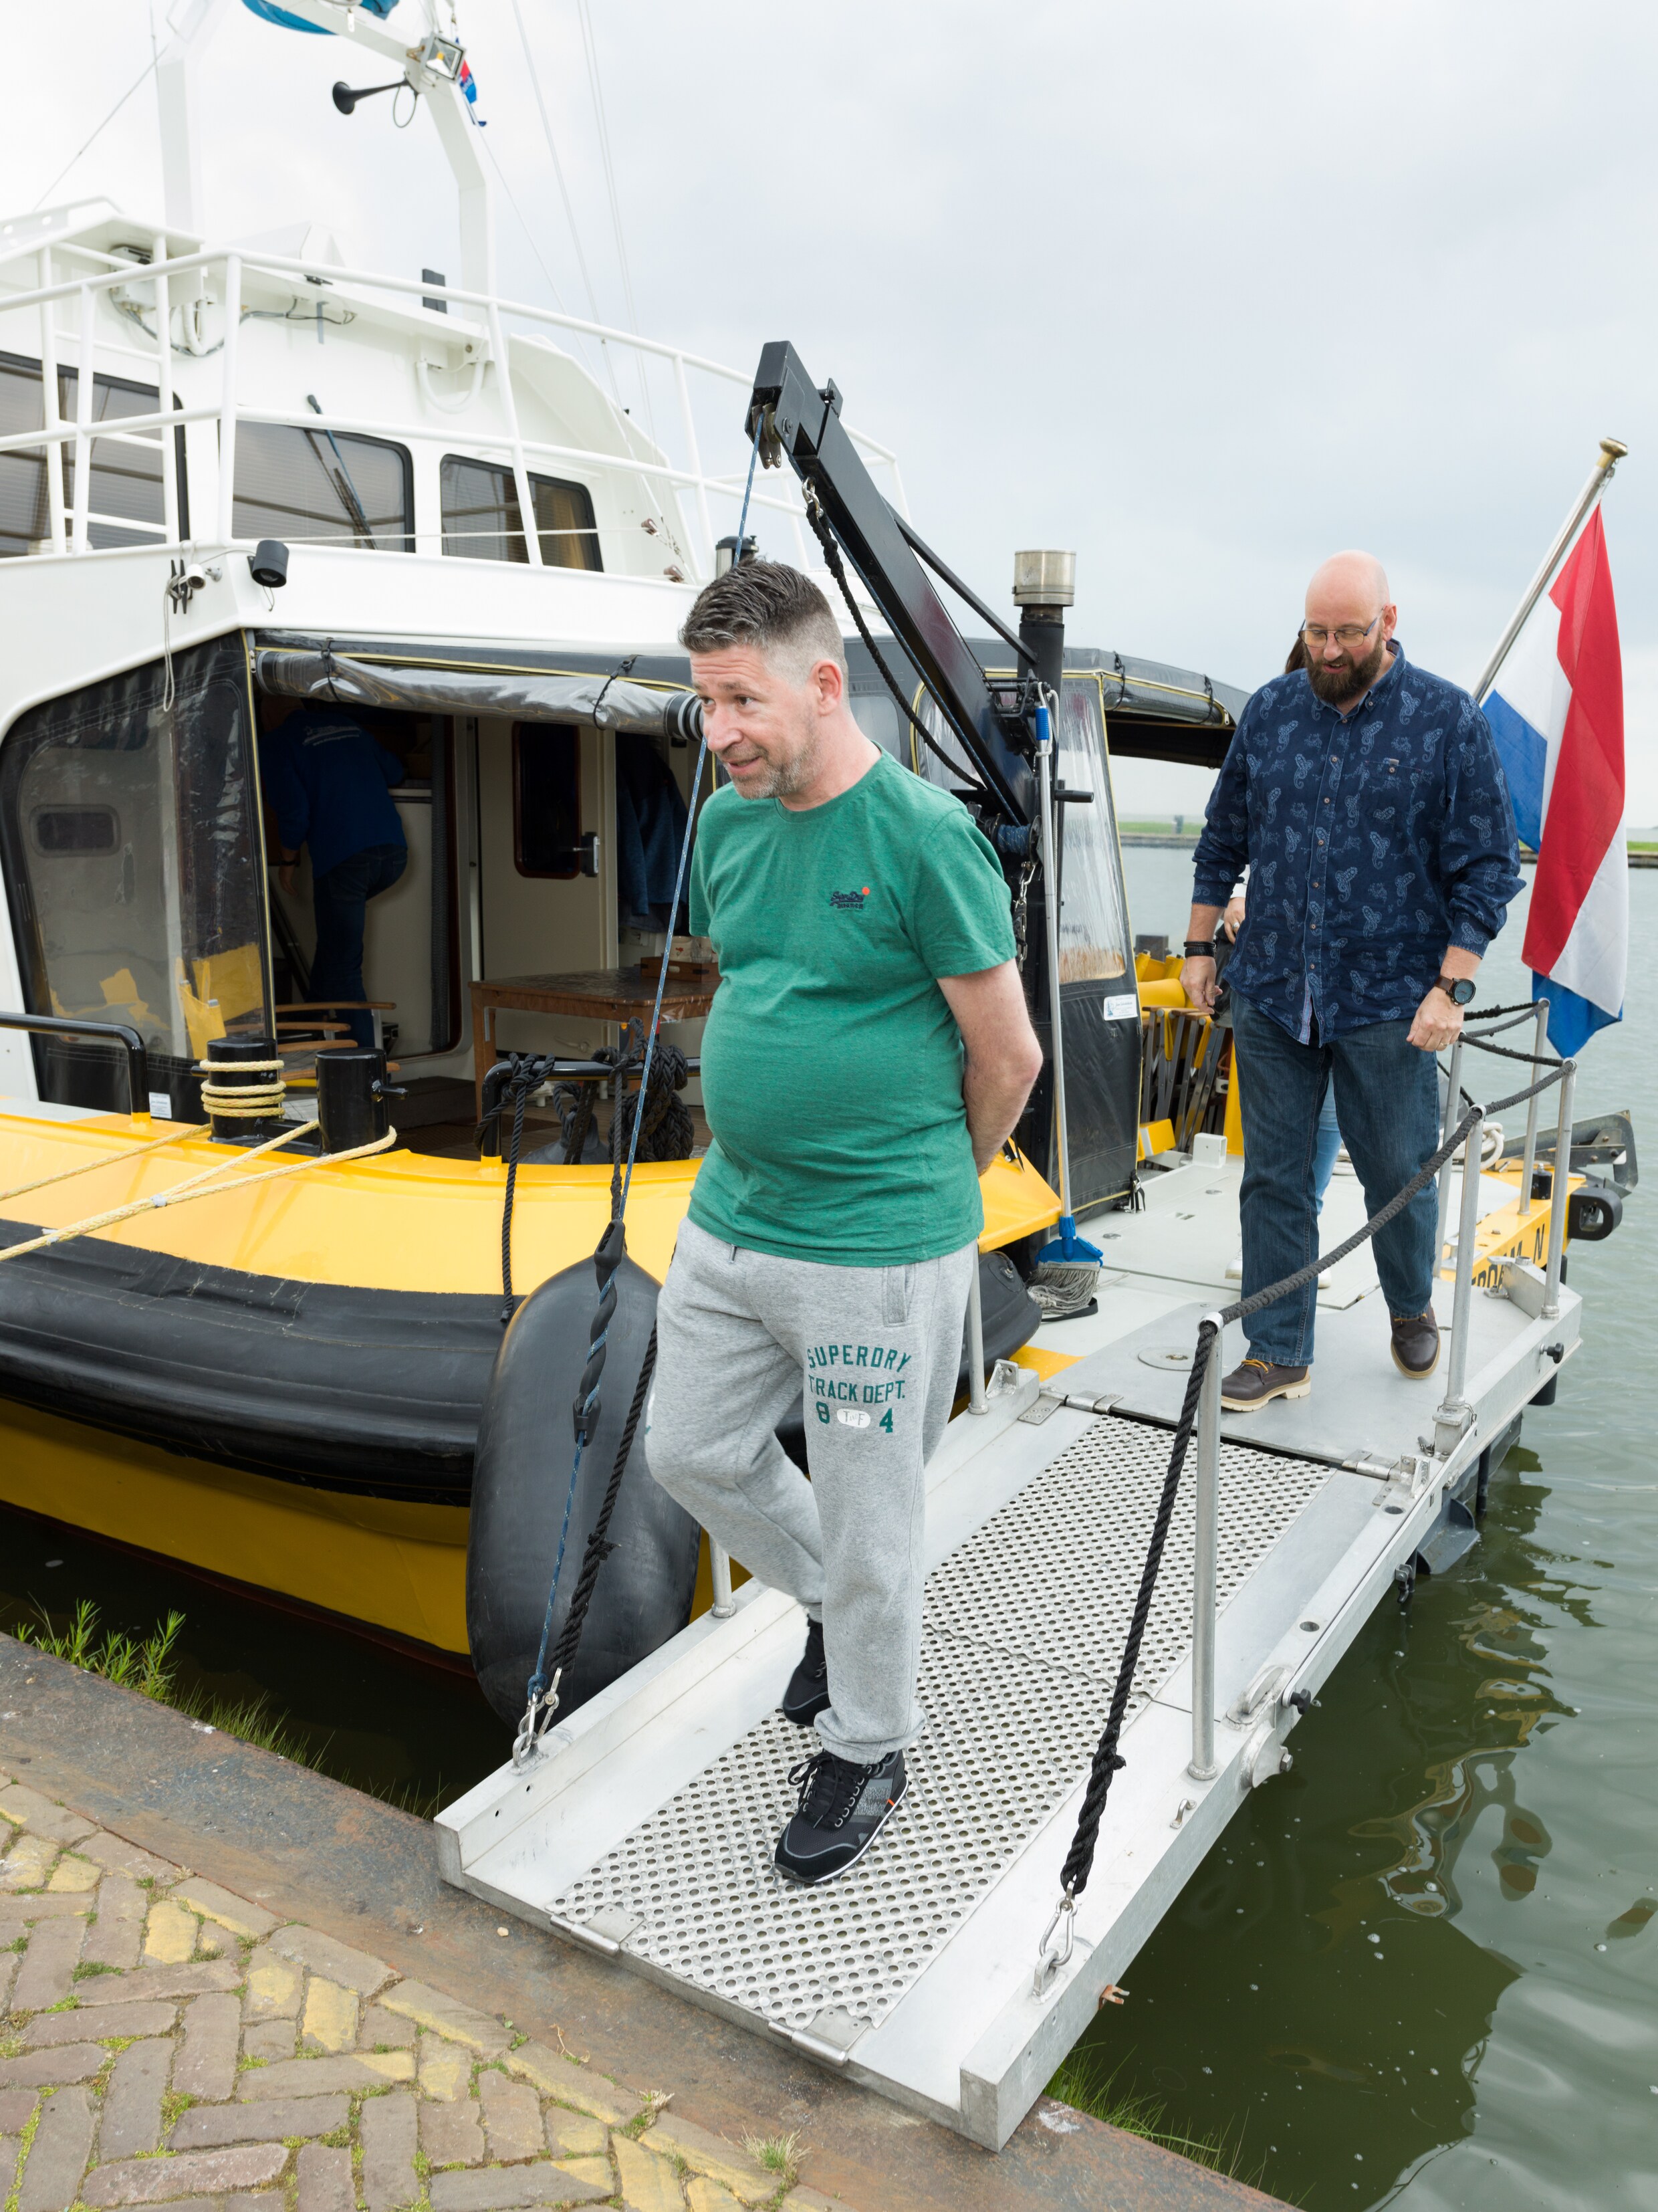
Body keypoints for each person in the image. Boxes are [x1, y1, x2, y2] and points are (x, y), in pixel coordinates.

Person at [644, 560, 1043, 1887]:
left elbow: (1008, 1059)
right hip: (731, 1220)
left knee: (877, 1522)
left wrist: (931, 1201)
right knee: (689, 1448)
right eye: (704, 703)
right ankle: (832, 1606)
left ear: (824, 683)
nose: (721, 735)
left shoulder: (926, 840)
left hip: (877, 1244)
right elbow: (762, 985)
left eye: (741, 701)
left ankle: (870, 1742)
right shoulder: (729, 825)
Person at [1183, 552, 1522, 1412]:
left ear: (1388, 622)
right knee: (1274, 1177)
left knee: (1395, 1169)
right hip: (1269, 989)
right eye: (1316, 631)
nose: (1328, 650)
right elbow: (1222, 840)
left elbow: (1486, 865)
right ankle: (1278, 1348)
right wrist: (1196, 948)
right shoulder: (1267, 712)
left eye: (1346, 633)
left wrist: (1453, 987)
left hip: (1390, 1001)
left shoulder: (1446, 720)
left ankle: (1409, 1305)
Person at [259, 702, 408, 1048]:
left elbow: (294, 811)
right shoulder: (346, 724)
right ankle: (309, 1028)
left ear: (268, 711)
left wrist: (288, 861)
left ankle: (365, 1068)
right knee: (333, 945)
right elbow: (394, 771)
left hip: (345, 862)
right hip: (394, 856)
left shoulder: (276, 742)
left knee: (343, 969)